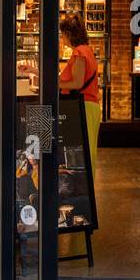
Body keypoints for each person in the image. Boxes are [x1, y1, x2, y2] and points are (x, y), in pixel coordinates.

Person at [58, 12, 101, 176]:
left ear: (69, 34)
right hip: (88, 106)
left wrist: (54, 83)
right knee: (87, 149)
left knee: (84, 150)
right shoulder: (85, 50)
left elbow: (77, 83)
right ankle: (86, 188)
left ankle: (85, 189)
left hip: (84, 106)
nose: (62, 39)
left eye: (62, 35)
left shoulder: (80, 52)